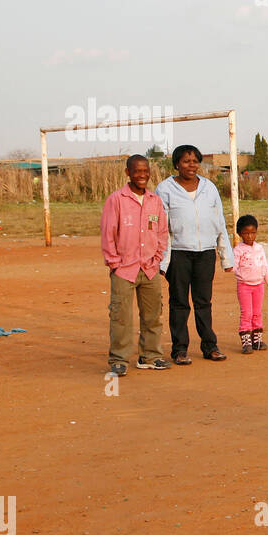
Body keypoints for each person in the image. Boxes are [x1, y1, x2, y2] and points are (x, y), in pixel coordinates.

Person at [158, 144, 235, 364]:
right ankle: (179, 349)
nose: (191, 165)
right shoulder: (165, 189)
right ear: (176, 164)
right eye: (185, 161)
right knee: (179, 302)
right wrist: (163, 262)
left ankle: (210, 346)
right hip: (179, 255)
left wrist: (225, 257)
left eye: (194, 161)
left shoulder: (209, 188)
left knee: (204, 302)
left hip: (205, 254)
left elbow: (219, 222)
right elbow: (163, 229)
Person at [99, 155, 168, 374]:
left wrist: (157, 258)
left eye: (145, 171)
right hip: (124, 270)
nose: (142, 175)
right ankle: (119, 359)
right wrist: (114, 264)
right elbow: (108, 232)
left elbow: (162, 232)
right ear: (127, 172)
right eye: (137, 171)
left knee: (152, 315)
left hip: (149, 269)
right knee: (121, 317)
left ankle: (150, 355)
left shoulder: (154, 201)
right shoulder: (116, 199)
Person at [232, 214, 268, 354]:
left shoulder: (259, 249)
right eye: (246, 233)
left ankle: (257, 340)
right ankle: (246, 342)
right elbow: (233, 267)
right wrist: (242, 275)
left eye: (252, 233)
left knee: (257, 312)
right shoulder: (238, 250)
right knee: (247, 313)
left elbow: (265, 268)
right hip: (244, 286)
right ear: (240, 234)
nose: (250, 236)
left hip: (259, 286)